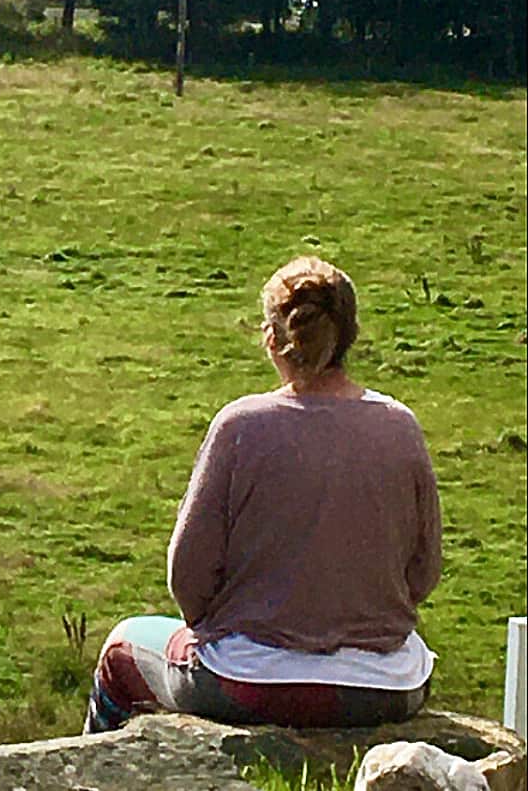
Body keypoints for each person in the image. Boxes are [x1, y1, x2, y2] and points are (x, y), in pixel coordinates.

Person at [85, 256, 441, 733]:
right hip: (386, 686)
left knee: (122, 646)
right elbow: (424, 570)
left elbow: (187, 577)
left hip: (250, 680)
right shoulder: (401, 426)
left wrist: (221, 627)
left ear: (273, 339)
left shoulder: (240, 426)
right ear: (349, 335)